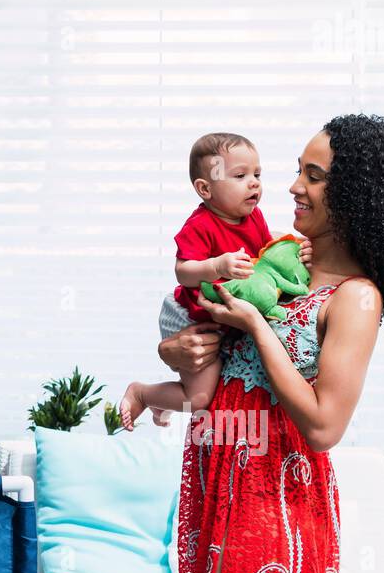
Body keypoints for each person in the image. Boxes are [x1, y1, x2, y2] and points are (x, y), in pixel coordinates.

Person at [156, 114, 384, 573]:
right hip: (216, 475)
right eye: (299, 170)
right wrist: (173, 350)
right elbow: (219, 358)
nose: (294, 186)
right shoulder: (274, 263)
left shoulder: (356, 298)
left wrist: (257, 327)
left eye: (314, 177)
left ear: (357, 198)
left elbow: (323, 427)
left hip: (273, 493)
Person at [119, 132, 310, 429]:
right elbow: (183, 271)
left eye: (257, 174)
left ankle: (163, 406)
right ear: (205, 189)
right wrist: (215, 265)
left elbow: (264, 248)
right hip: (186, 315)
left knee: (215, 386)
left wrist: (292, 244)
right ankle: (144, 394)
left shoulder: (254, 216)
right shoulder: (200, 225)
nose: (254, 182)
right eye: (240, 175)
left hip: (220, 317)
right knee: (199, 399)